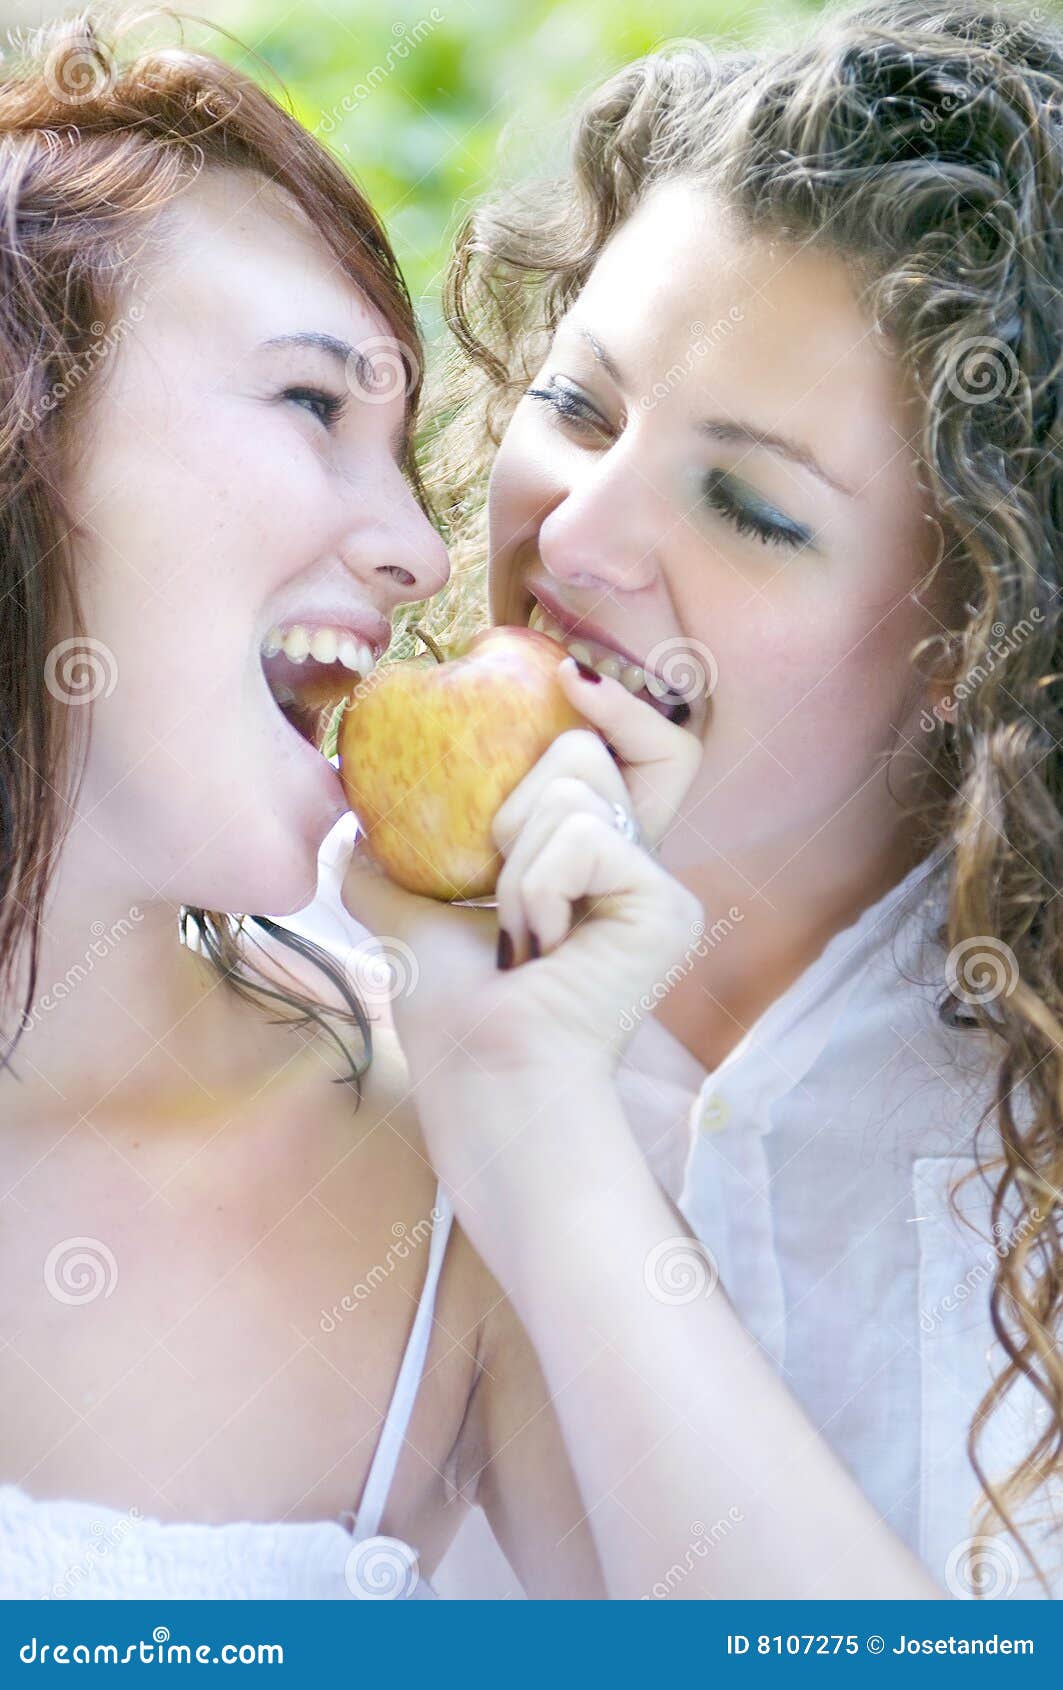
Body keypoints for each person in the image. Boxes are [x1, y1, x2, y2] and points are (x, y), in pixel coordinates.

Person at [342, 0, 1063, 1599]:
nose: (576, 539)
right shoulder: (312, 976)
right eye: (580, 407)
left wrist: (537, 1121)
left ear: (975, 631)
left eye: (746, 503)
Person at [0, 12, 701, 1600]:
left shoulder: (448, 1183)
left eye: (408, 456)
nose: (420, 551)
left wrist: (532, 1095)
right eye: (314, 406)